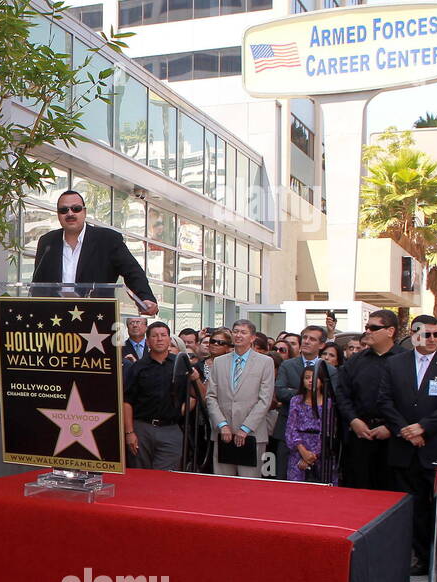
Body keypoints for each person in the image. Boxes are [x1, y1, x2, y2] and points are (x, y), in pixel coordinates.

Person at [377, 315, 437, 582]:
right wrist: (405, 429)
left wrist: (423, 428)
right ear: (414, 335)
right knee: (412, 510)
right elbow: (385, 400)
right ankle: (420, 558)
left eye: (436, 335)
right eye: (426, 335)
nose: (431, 340)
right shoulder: (395, 364)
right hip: (405, 449)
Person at [30, 191, 158, 315]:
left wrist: (145, 297)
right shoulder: (47, 242)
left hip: (95, 320)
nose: (70, 213)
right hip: (55, 319)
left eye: (76, 208)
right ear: (58, 214)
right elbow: (38, 283)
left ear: (85, 212)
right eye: (64, 210)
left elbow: (132, 272)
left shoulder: (107, 239)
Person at [334, 309, 399, 491]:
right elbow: (342, 394)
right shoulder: (356, 361)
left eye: (373, 327)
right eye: (366, 327)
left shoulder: (405, 360)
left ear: (390, 331)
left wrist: (391, 427)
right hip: (359, 437)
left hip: (393, 441)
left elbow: (410, 399)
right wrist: (354, 420)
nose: (367, 331)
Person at [123, 322, 201, 471]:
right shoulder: (137, 367)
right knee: (140, 475)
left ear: (169, 340)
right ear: (147, 341)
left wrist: (196, 379)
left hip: (170, 429)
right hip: (142, 428)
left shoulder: (181, 365)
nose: (159, 339)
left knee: (167, 477)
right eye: (154, 336)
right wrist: (129, 432)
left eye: (163, 335)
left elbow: (199, 396)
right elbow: (127, 402)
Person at [204, 319, 275, 478]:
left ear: (252, 337)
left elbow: (265, 400)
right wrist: (222, 425)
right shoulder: (219, 362)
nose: (238, 335)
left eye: (243, 332)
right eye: (235, 331)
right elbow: (211, 396)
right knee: (223, 484)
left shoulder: (265, 362)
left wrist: (245, 428)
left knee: (248, 486)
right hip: (224, 433)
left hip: (252, 434)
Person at [273, 325, 334, 480]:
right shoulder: (288, 365)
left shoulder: (329, 370)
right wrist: (306, 393)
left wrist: (297, 391)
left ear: (321, 345)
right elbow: (280, 392)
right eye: (304, 338)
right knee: (284, 480)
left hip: (319, 439)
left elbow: (333, 397)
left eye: (312, 339)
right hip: (288, 432)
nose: (306, 342)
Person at [284, 366, 338, 485]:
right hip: (299, 448)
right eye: (307, 378)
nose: (310, 381)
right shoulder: (296, 400)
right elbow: (291, 428)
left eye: (315, 378)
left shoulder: (329, 403)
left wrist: (313, 455)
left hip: (322, 450)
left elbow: (329, 429)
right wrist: (303, 451)